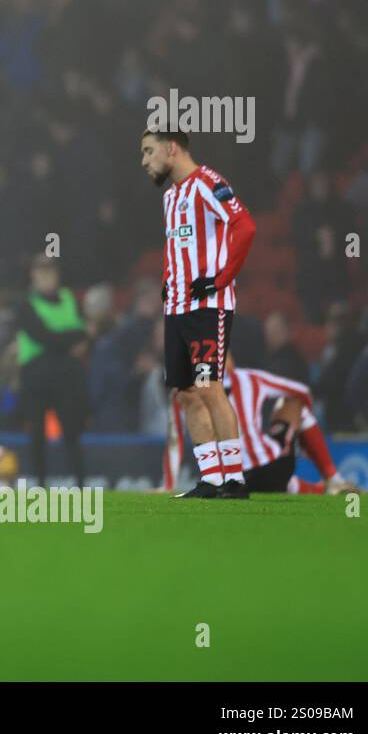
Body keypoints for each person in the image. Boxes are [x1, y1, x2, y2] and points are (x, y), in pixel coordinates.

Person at [140, 127, 256, 499]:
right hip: (176, 308)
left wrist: (220, 280)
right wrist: (167, 283)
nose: (144, 161)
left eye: (148, 151)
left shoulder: (208, 182)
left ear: (171, 149)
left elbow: (246, 227)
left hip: (207, 308)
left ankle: (235, 478)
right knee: (187, 392)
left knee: (208, 385)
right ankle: (211, 478)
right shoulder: (170, 197)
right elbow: (178, 247)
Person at [168, 354, 356, 495]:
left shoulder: (184, 392)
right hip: (273, 467)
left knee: (268, 475)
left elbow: (175, 438)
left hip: (228, 479)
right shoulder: (248, 378)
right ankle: (333, 479)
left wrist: (169, 484)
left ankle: (321, 489)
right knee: (296, 406)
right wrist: (303, 436)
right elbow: (302, 392)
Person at [15, 255, 88, 483]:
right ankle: (40, 484)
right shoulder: (26, 304)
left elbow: (83, 332)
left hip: (65, 374)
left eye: (50, 272)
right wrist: (72, 339)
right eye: (41, 272)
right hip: (36, 375)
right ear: (33, 276)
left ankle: (80, 484)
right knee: (37, 433)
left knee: (72, 431)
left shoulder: (67, 298)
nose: (47, 277)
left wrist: (67, 339)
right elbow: (45, 336)